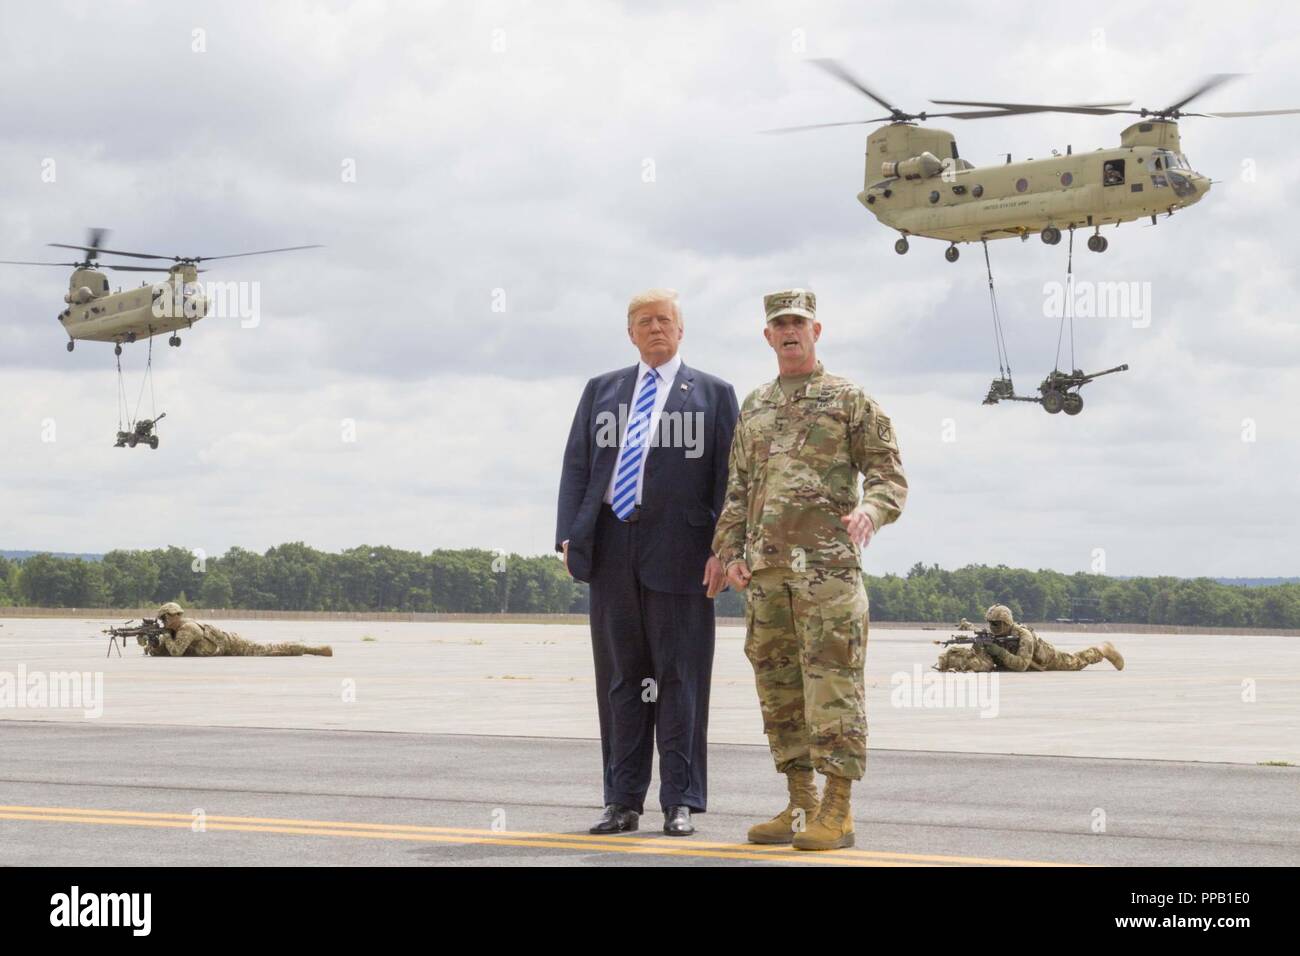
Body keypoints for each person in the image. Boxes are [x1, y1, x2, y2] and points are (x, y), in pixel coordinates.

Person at [713, 288, 907, 851]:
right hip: (766, 579)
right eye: (780, 323)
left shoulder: (849, 400)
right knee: (780, 693)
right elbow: (737, 491)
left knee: (834, 689)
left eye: (799, 321)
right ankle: (801, 805)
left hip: (828, 576)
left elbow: (888, 474)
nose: (790, 330)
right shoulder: (754, 406)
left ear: (816, 332)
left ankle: (839, 811)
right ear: (768, 336)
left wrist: (872, 511)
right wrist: (731, 557)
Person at [556, 288, 739, 837]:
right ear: (630, 333)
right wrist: (568, 536)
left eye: (664, 320)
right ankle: (621, 801)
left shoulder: (713, 394)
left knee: (679, 680)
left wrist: (724, 550)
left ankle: (680, 800)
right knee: (620, 681)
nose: (655, 328)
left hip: (684, 557)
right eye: (643, 321)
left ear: (681, 330)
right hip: (612, 550)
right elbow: (576, 466)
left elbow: (732, 482)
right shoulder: (602, 390)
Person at [935, 604, 1124, 672]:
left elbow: (1022, 666)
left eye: (996, 624)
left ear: (1006, 622)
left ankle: (1103, 649)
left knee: (1076, 662)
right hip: (1030, 660)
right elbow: (982, 633)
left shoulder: (1023, 635)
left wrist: (998, 651)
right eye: (990, 623)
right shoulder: (994, 633)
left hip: (1047, 659)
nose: (992, 628)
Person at [148, 602, 333, 657]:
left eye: (164, 618)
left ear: (173, 616)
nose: (163, 622)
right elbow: (162, 651)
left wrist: (164, 636)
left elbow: (175, 652)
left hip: (232, 644)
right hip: (222, 647)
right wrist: (152, 643)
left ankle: (311, 649)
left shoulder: (187, 628)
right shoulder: (175, 632)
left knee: (269, 650)